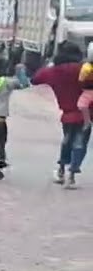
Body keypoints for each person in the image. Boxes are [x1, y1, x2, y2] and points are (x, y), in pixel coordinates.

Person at [31, 41, 88, 187]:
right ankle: (72, 175)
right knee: (80, 143)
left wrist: (50, 64)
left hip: (67, 114)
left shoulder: (53, 71)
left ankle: (62, 169)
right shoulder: (83, 69)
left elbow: (35, 79)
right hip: (87, 114)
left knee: (67, 140)